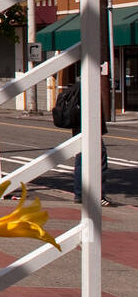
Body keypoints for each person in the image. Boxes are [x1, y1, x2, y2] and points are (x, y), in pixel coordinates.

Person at [56, 78, 114, 206]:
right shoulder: (89, 87)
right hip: (89, 128)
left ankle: (80, 194)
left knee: (81, 161)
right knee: (99, 160)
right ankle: (97, 196)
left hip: (78, 128)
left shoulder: (75, 87)